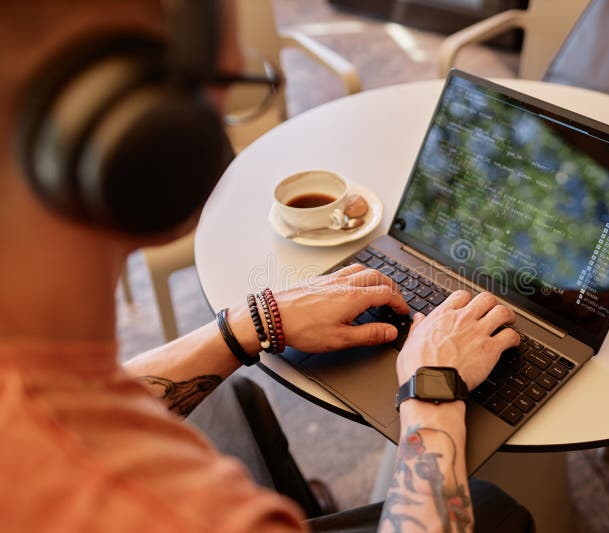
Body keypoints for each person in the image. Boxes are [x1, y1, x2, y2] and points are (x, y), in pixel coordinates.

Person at [0, 1, 534, 532]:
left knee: (234, 398)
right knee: (497, 510)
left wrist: (253, 322)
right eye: (227, 92)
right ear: (148, 136)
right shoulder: (173, 512)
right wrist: (431, 389)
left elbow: (91, 406)